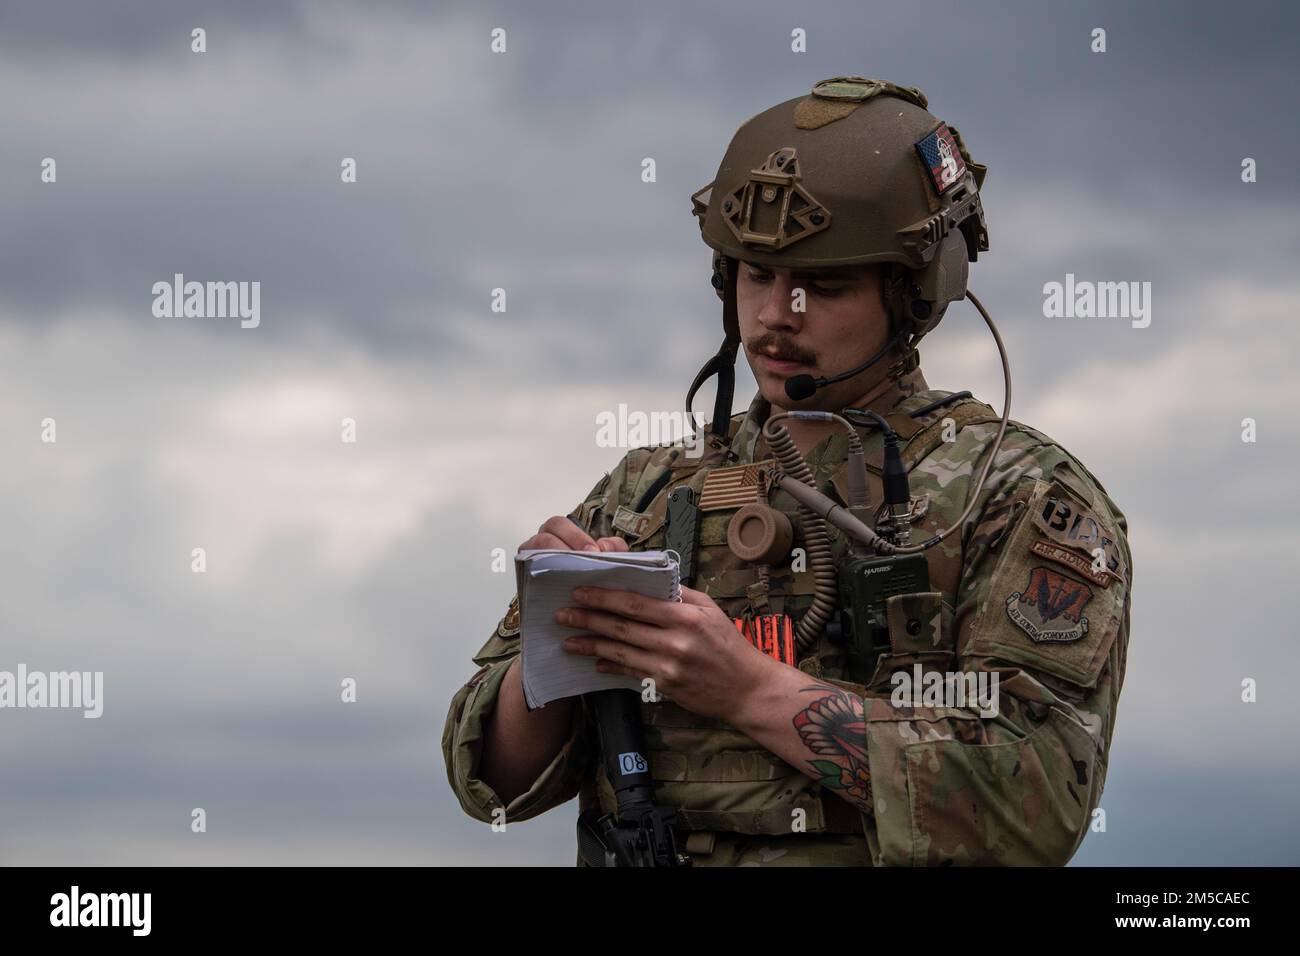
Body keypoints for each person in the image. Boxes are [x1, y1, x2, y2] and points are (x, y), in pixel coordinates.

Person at [442, 76, 1132, 866]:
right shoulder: (647, 490)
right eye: (755, 276)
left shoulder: (1014, 493)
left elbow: (1032, 804)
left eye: (824, 287)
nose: (776, 315)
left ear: (910, 294)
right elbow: (489, 782)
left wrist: (745, 688)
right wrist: (557, 648)